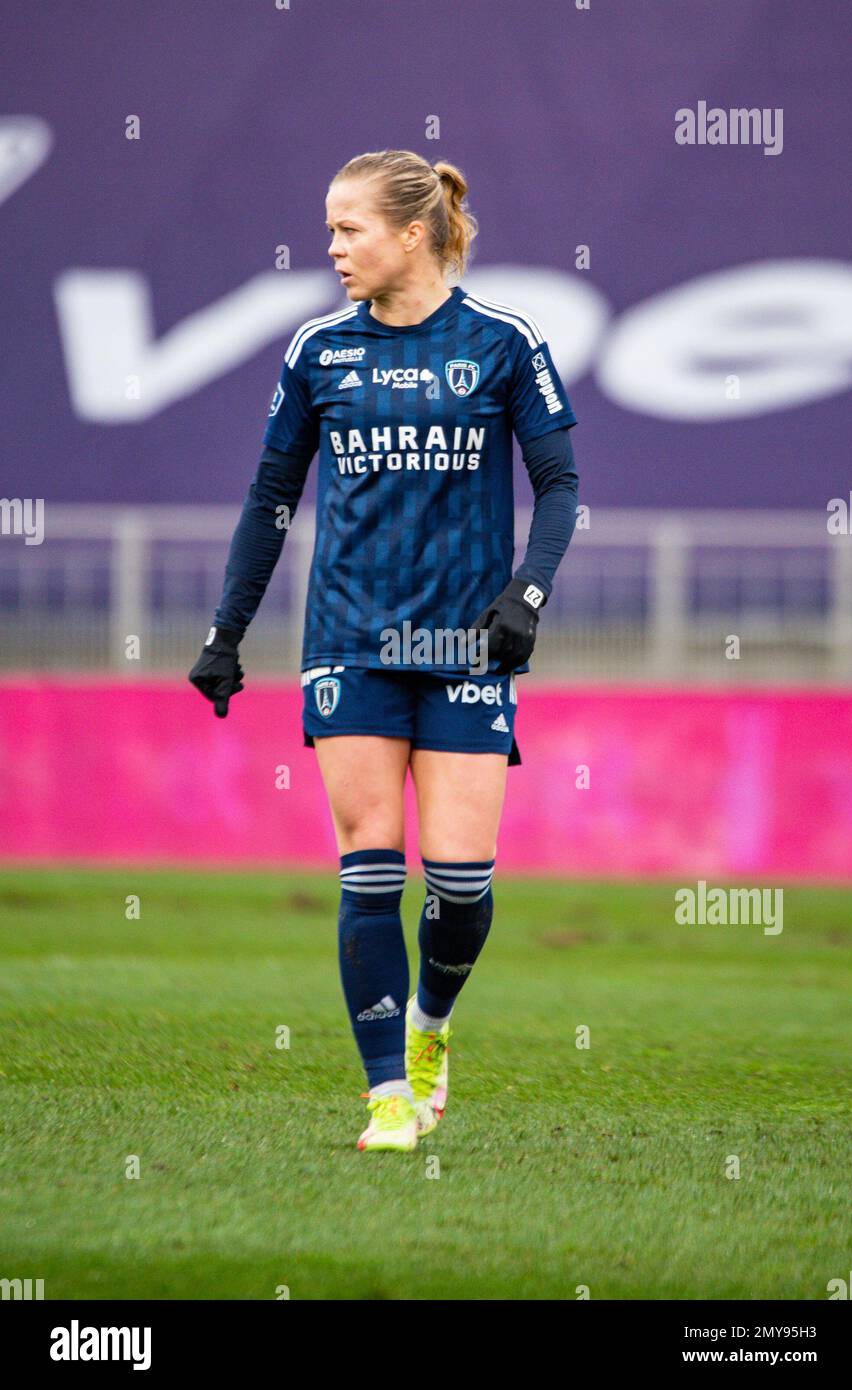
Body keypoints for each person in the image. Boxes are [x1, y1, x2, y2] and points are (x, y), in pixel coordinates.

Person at [189, 149, 578, 1152]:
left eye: (347, 228)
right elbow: (269, 498)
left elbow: (561, 484)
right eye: (328, 228)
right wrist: (227, 631)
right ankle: (387, 1097)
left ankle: (432, 1026)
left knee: (460, 884)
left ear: (413, 234)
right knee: (370, 872)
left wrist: (525, 594)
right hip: (351, 644)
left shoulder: (501, 342)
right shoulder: (320, 351)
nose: (332, 249)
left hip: (464, 647)